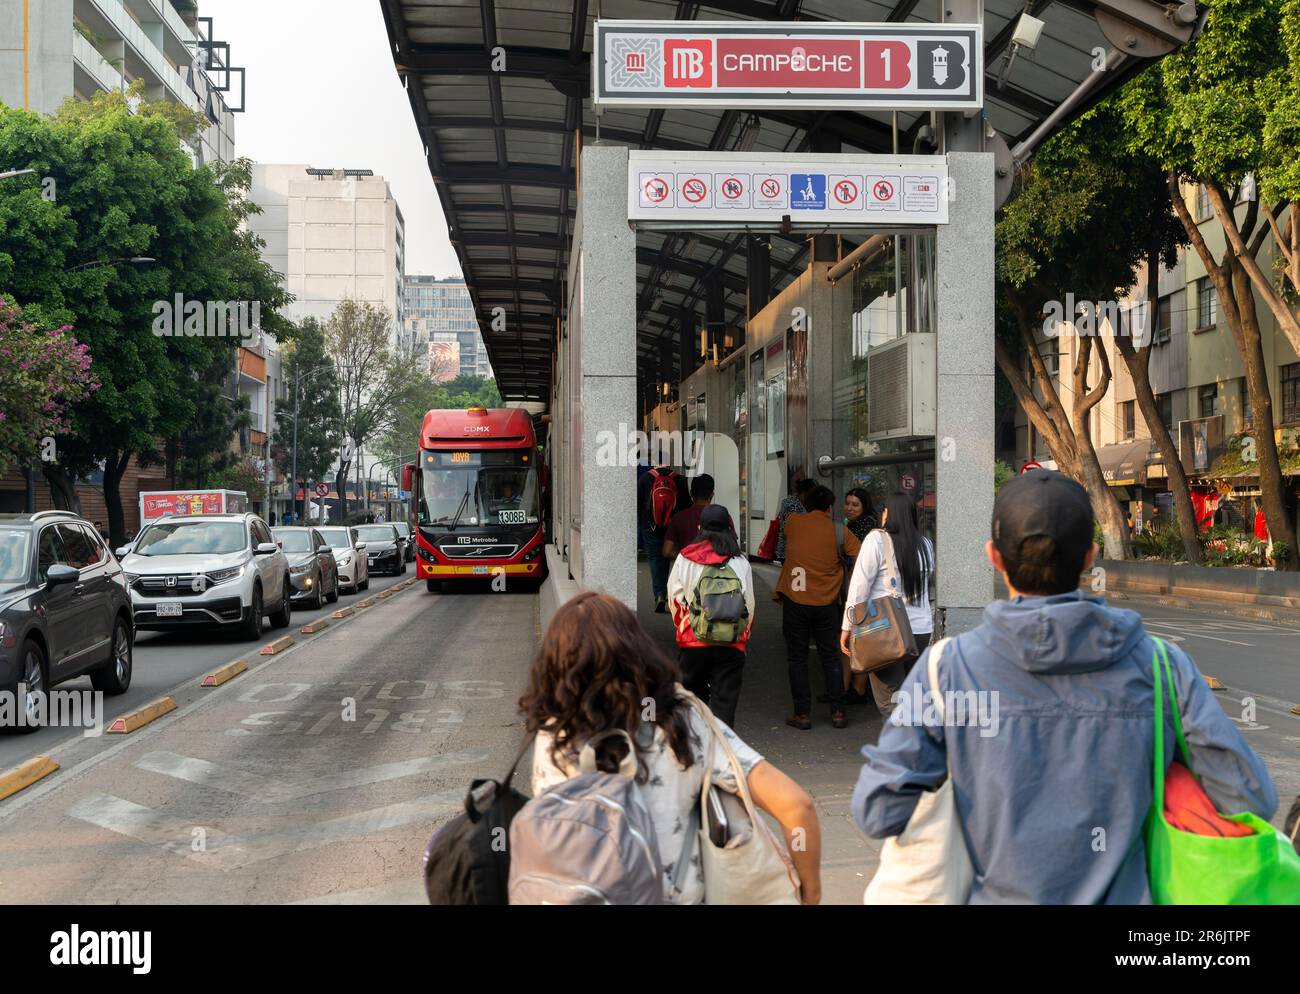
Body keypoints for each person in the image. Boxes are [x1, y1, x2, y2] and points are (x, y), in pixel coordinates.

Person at [852, 469, 1278, 903]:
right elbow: (1250, 797)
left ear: (994, 557)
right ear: (1090, 556)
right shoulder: (1163, 668)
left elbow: (878, 809)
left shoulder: (947, 670)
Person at [522, 591, 821, 905]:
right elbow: (796, 807)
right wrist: (811, 894)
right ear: (638, 650)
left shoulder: (554, 735)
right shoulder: (682, 720)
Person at [840, 494, 935, 716]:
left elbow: (858, 589)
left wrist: (847, 626)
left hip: (887, 631)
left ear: (887, 514)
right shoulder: (926, 545)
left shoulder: (877, 540)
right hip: (920, 630)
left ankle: (902, 748)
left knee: (890, 701)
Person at [666, 504, 755, 728]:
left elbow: (675, 598)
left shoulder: (685, 557)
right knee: (725, 704)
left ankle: (696, 751)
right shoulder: (740, 561)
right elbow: (749, 604)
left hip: (693, 642)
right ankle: (723, 753)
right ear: (728, 528)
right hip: (731, 643)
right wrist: (742, 633)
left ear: (699, 527)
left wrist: (684, 626)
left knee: (692, 703)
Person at [775, 485, 848, 730]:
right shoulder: (840, 531)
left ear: (806, 505)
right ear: (829, 508)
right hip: (827, 603)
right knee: (830, 657)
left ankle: (802, 713)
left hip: (796, 601)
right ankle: (838, 712)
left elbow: (787, 534)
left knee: (797, 658)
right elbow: (861, 554)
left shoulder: (794, 522)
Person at [638, 464, 690, 613]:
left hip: (650, 526)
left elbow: (638, 503)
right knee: (679, 558)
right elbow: (687, 505)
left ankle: (660, 595)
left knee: (655, 558)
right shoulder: (679, 479)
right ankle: (680, 596)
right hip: (674, 526)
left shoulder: (645, 478)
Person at [662, 474, 734, 560]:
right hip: (716, 569)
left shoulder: (678, 518)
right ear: (712, 494)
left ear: (691, 493)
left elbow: (667, 551)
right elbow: (732, 546)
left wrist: (689, 558)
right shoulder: (722, 516)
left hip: (688, 570)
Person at [775, 476, 814, 562]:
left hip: (793, 551)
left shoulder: (797, 503)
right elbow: (791, 529)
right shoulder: (791, 505)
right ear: (804, 493)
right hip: (790, 552)